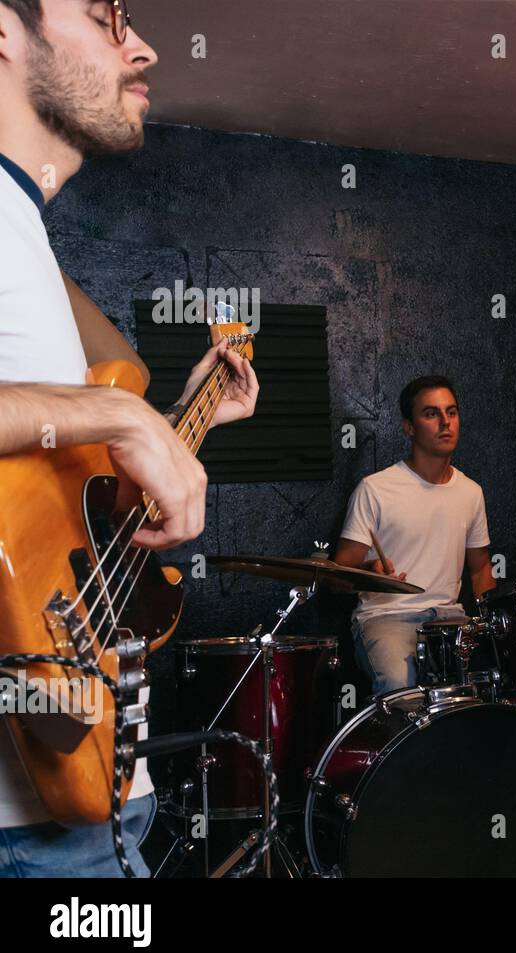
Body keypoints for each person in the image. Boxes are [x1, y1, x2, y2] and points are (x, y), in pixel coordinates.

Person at [0, 0, 259, 876]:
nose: (142, 44)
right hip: (28, 829)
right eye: (103, 15)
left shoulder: (25, 229)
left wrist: (181, 414)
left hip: (96, 783)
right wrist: (124, 417)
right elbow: (112, 413)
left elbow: (74, 472)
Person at [334, 375, 496, 695]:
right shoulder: (376, 489)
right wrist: (370, 571)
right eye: (431, 414)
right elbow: (338, 573)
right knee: (399, 684)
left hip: (449, 620)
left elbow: (480, 568)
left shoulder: (471, 492)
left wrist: (496, 625)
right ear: (409, 427)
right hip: (387, 617)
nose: (445, 422)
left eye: (451, 412)